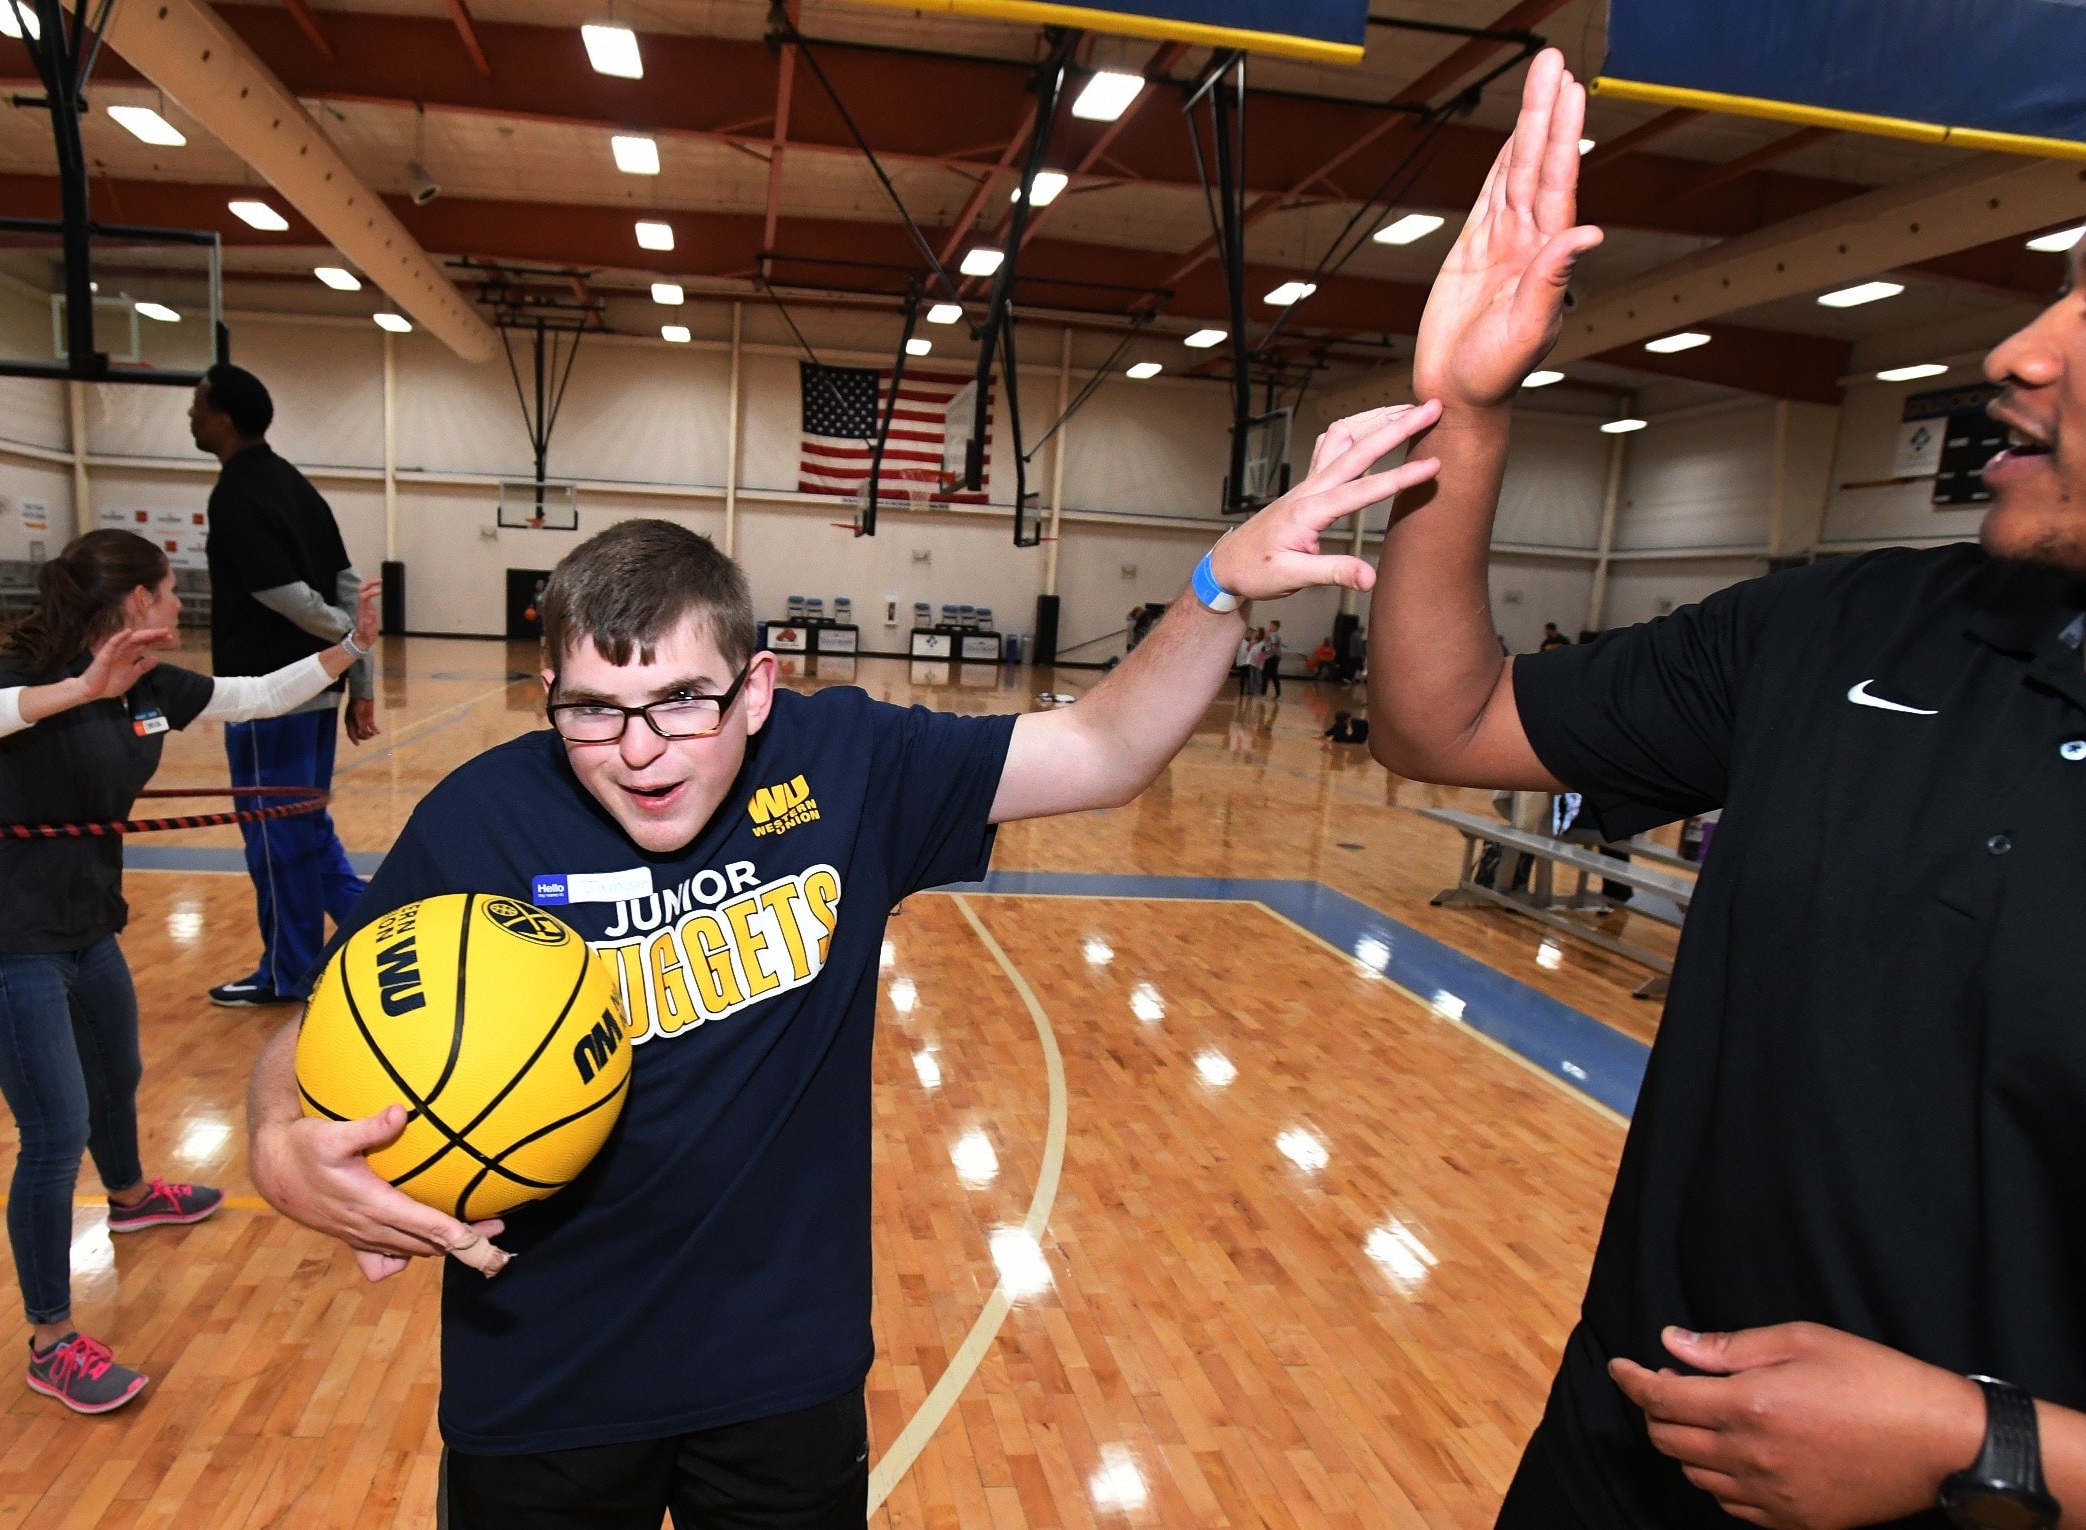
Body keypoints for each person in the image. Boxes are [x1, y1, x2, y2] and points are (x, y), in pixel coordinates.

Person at [1369, 43, 2086, 1529]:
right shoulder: (1841, 629)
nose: (2018, 349)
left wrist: (1981, 1446)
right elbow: (1446, 716)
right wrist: (1463, 416)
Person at [245, 404, 1443, 1528]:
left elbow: (1104, 746)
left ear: (759, 686)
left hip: (781, 1376)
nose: (641, 752)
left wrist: (1216, 585)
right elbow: (313, 1031)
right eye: (595, 711)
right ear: (550, 693)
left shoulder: (847, 767)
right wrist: (275, 1143)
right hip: (539, 1381)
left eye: (683, 703)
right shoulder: (482, 820)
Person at [0, 529, 382, 1413]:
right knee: (53, 1134)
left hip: (87, 921)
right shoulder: (19, 674)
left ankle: (128, 1195)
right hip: (10, 937)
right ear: (135, 601)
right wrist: (77, 692)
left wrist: (350, 652)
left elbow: (255, 697)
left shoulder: (153, 686)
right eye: (170, 592)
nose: (179, 607)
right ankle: (52, 1340)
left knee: (120, 1074)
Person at [191, 364, 378, 1009]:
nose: (191, 416)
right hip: (314, 691)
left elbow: (291, 597)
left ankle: (288, 972)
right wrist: (359, 677)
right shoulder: (297, 488)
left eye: (198, 405)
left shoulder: (239, 495)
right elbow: (349, 584)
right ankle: (381, 935)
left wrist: (351, 648)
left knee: (276, 836)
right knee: (304, 829)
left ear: (225, 418)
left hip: (270, 696)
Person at [1262, 619, 1284, 697]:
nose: (1270, 627)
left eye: (1271, 625)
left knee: (1266, 675)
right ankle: (1278, 695)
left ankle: (1263, 694)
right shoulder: (1272, 634)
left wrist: (1277, 654)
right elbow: (1266, 642)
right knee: (1273, 675)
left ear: (1276, 627)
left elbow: (1273, 646)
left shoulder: (1274, 634)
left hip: (1272, 657)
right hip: (1271, 657)